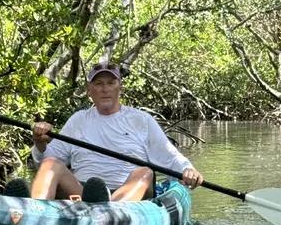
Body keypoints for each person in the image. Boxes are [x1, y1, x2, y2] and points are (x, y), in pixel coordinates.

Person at [20, 62, 203, 202]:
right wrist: (40, 142)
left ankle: (111, 213)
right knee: (52, 163)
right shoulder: (78, 120)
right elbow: (45, 163)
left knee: (145, 172)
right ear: (89, 90)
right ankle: (34, 210)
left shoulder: (141, 120)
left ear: (119, 87)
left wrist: (187, 170)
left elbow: (169, 156)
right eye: (98, 83)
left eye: (111, 82)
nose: (105, 89)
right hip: (84, 193)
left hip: (129, 195)